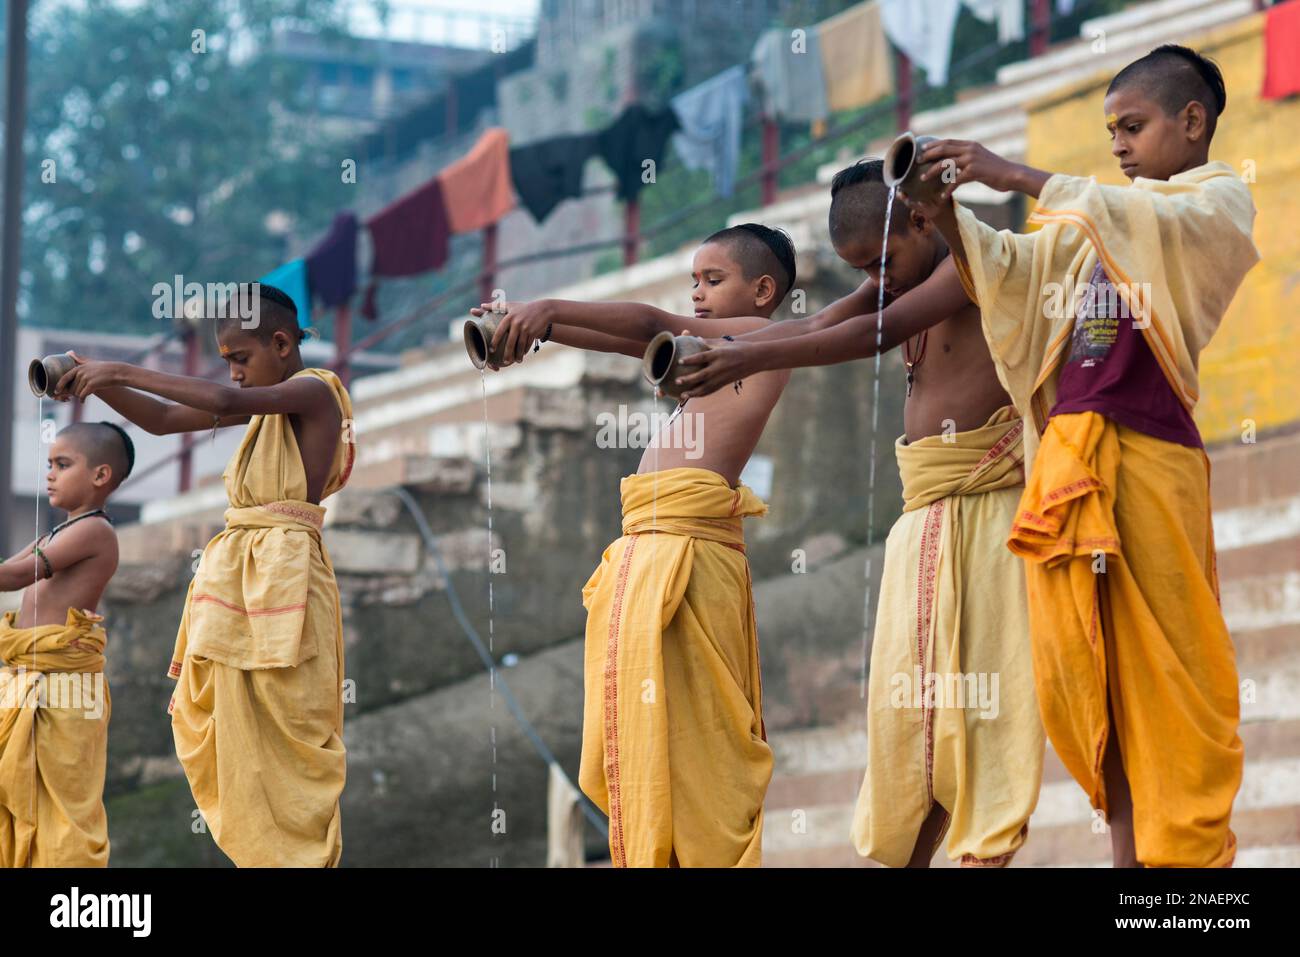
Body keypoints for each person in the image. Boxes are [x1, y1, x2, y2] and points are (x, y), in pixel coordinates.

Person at [910, 44, 1259, 867]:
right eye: (1111, 132)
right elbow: (1017, 275)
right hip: (1067, 463)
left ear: (1194, 122)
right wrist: (950, 213)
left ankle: (1186, 882)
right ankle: (1130, 869)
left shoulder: (1217, 199)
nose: (1120, 146)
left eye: (1133, 126)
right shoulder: (1095, 215)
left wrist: (1013, 173)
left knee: (1169, 682)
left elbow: (1152, 223)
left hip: (1150, 457)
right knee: (1092, 678)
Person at [671, 161, 1045, 867]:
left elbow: (876, 333)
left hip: (990, 512)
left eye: (881, 261)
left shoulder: (973, 258)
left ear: (923, 222)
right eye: (859, 268)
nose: (878, 279)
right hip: (925, 513)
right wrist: (731, 351)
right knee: (912, 721)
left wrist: (733, 361)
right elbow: (820, 320)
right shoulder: (895, 272)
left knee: (982, 714)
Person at [478, 224, 795, 865]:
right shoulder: (705, 357)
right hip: (647, 557)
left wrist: (550, 309)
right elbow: (635, 336)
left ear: (763, 290)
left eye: (713, 280)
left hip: (688, 559)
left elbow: (648, 319)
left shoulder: (767, 342)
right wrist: (534, 329)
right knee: (650, 746)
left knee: (695, 754)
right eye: (694, 283)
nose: (698, 295)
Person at [54, 283, 356, 867]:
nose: (235, 374)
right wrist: (101, 384)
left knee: (289, 747)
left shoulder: (314, 393)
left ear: (282, 342)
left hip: (287, 586)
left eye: (241, 359)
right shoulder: (266, 401)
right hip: (243, 583)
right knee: (234, 745)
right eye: (227, 364)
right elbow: (166, 420)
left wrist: (118, 366)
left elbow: (221, 401)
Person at [0, 421, 131, 866]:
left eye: (63, 464)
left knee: (61, 810)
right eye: (50, 464)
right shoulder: (54, 534)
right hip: (29, 679)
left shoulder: (95, 532)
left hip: (63, 690)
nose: (50, 474)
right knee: (22, 799)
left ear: (100, 476)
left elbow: (15, 576)